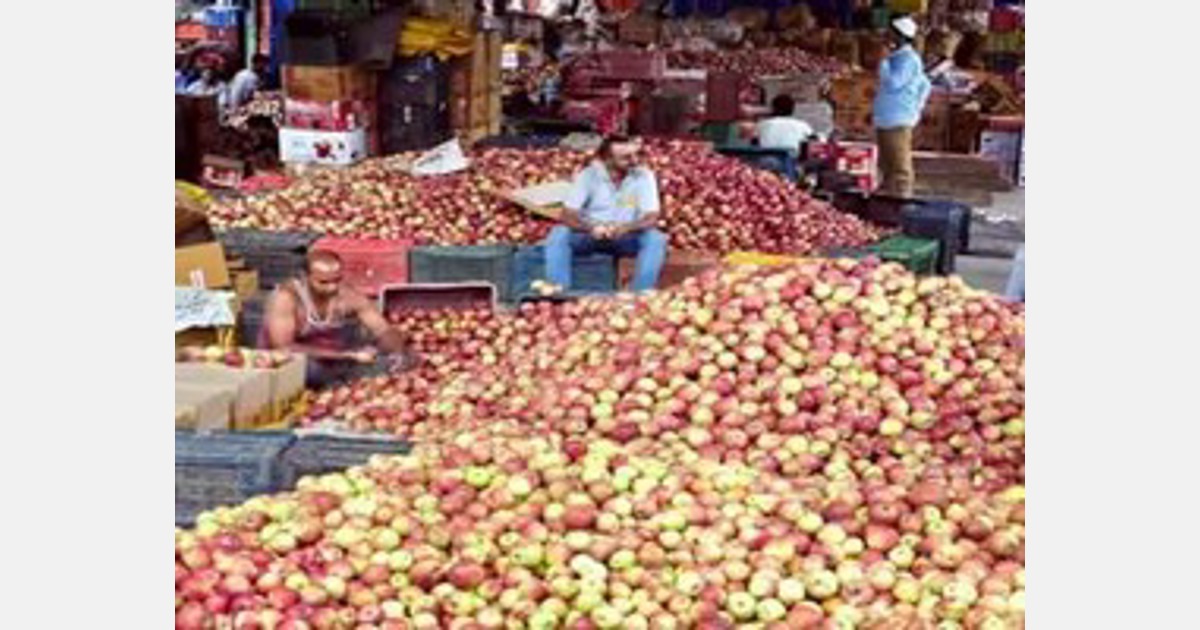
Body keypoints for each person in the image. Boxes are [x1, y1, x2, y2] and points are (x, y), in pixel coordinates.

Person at [261, 251, 413, 388]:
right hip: (290, 361)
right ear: (305, 277)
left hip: (334, 357)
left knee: (403, 356)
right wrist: (346, 355)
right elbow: (284, 347)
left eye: (337, 280)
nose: (332, 288)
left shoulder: (348, 296)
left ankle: (342, 382)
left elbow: (383, 329)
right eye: (323, 282)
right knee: (311, 370)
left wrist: (397, 351)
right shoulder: (287, 298)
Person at [546, 136, 668, 293]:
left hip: (626, 236)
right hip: (591, 236)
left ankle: (640, 293)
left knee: (655, 238)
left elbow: (651, 216)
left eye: (636, 154)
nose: (635, 160)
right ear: (607, 159)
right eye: (626, 158)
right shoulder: (588, 176)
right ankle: (558, 289)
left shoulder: (644, 176)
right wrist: (590, 228)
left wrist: (626, 228)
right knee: (559, 234)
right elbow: (568, 215)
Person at [874, 15, 932, 198]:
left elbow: (893, 83)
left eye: (891, 34)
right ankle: (887, 196)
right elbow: (925, 84)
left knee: (899, 164)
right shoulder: (898, 58)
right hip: (887, 117)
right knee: (886, 162)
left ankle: (902, 196)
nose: (886, 38)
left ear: (900, 37)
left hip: (897, 117)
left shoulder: (908, 60)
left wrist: (883, 62)